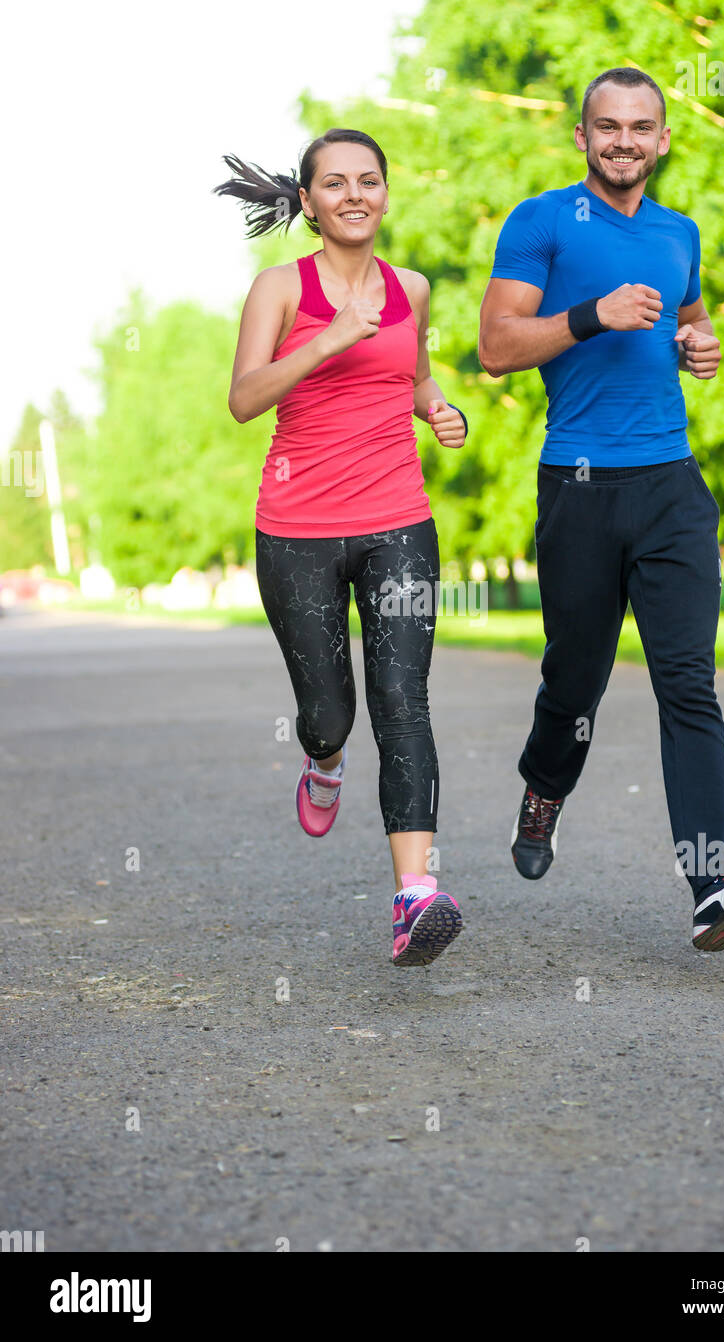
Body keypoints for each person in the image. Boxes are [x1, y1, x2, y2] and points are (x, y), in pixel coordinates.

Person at [478, 68, 724, 952]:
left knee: (687, 681)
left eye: (639, 127)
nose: (622, 140)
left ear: (662, 141)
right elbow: (495, 347)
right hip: (576, 488)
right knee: (577, 677)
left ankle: (712, 882)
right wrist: (589, 316)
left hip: (670, 487)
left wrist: (700, 346)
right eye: (605, 126)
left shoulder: (679, 231)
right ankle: (543, 790)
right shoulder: (539, 223)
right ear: (581, 138)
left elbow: (686, 319)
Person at [214, 128, 465, 966]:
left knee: (403, 700)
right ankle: (323, 761)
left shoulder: (413, 289)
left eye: (368, 180)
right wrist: (329, 338)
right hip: (297, 532)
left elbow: (413, 373)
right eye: (334, 183)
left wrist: (436, 409)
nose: (353, 194)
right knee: (332, 714)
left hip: (399, 519)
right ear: (310, 201)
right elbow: (244, 399)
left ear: (386, 194)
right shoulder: (279, 288)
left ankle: (414, 898)